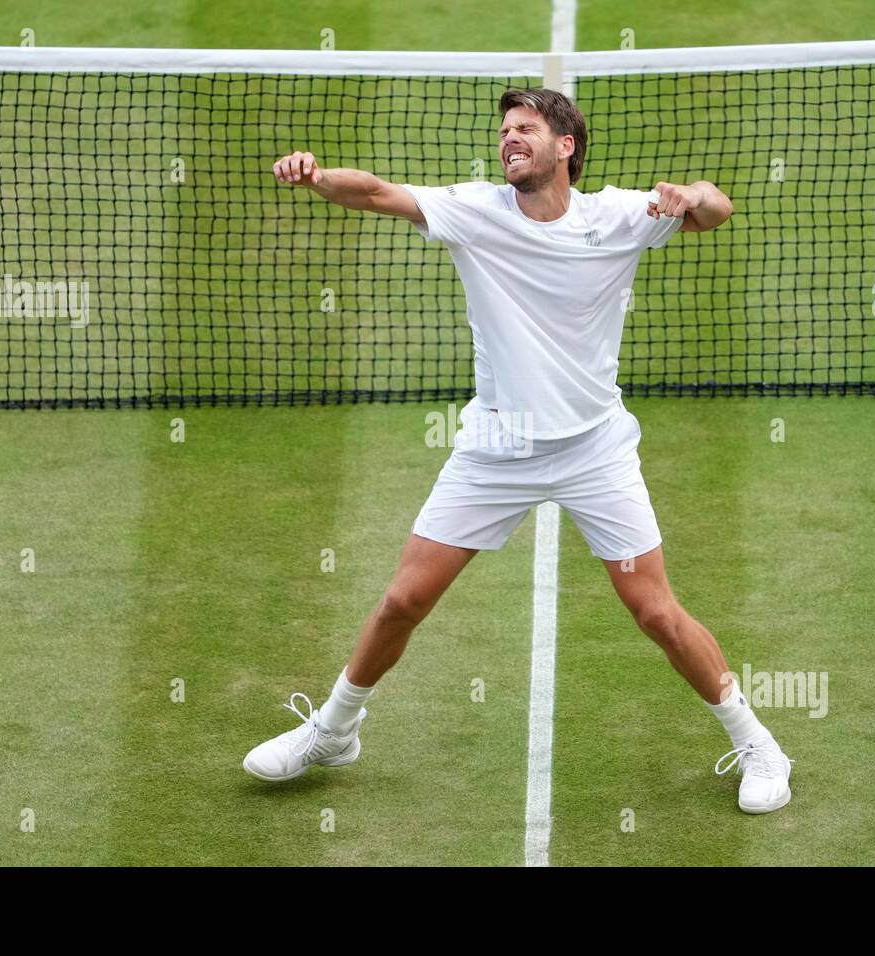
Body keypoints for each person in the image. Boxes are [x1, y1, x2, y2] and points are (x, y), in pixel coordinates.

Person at [245, 87, 793, 814]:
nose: (509, 139)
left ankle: (760, 745)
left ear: (565, 147)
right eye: (504, 130)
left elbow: (715, 212)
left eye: (525, 129)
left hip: (594, 448)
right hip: (497, 447)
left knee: (657, 613)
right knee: (405, 598)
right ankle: (334, 729)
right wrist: (316, 178)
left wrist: (691, 191)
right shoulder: (474, 211)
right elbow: (375, 193)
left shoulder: (620, 216)